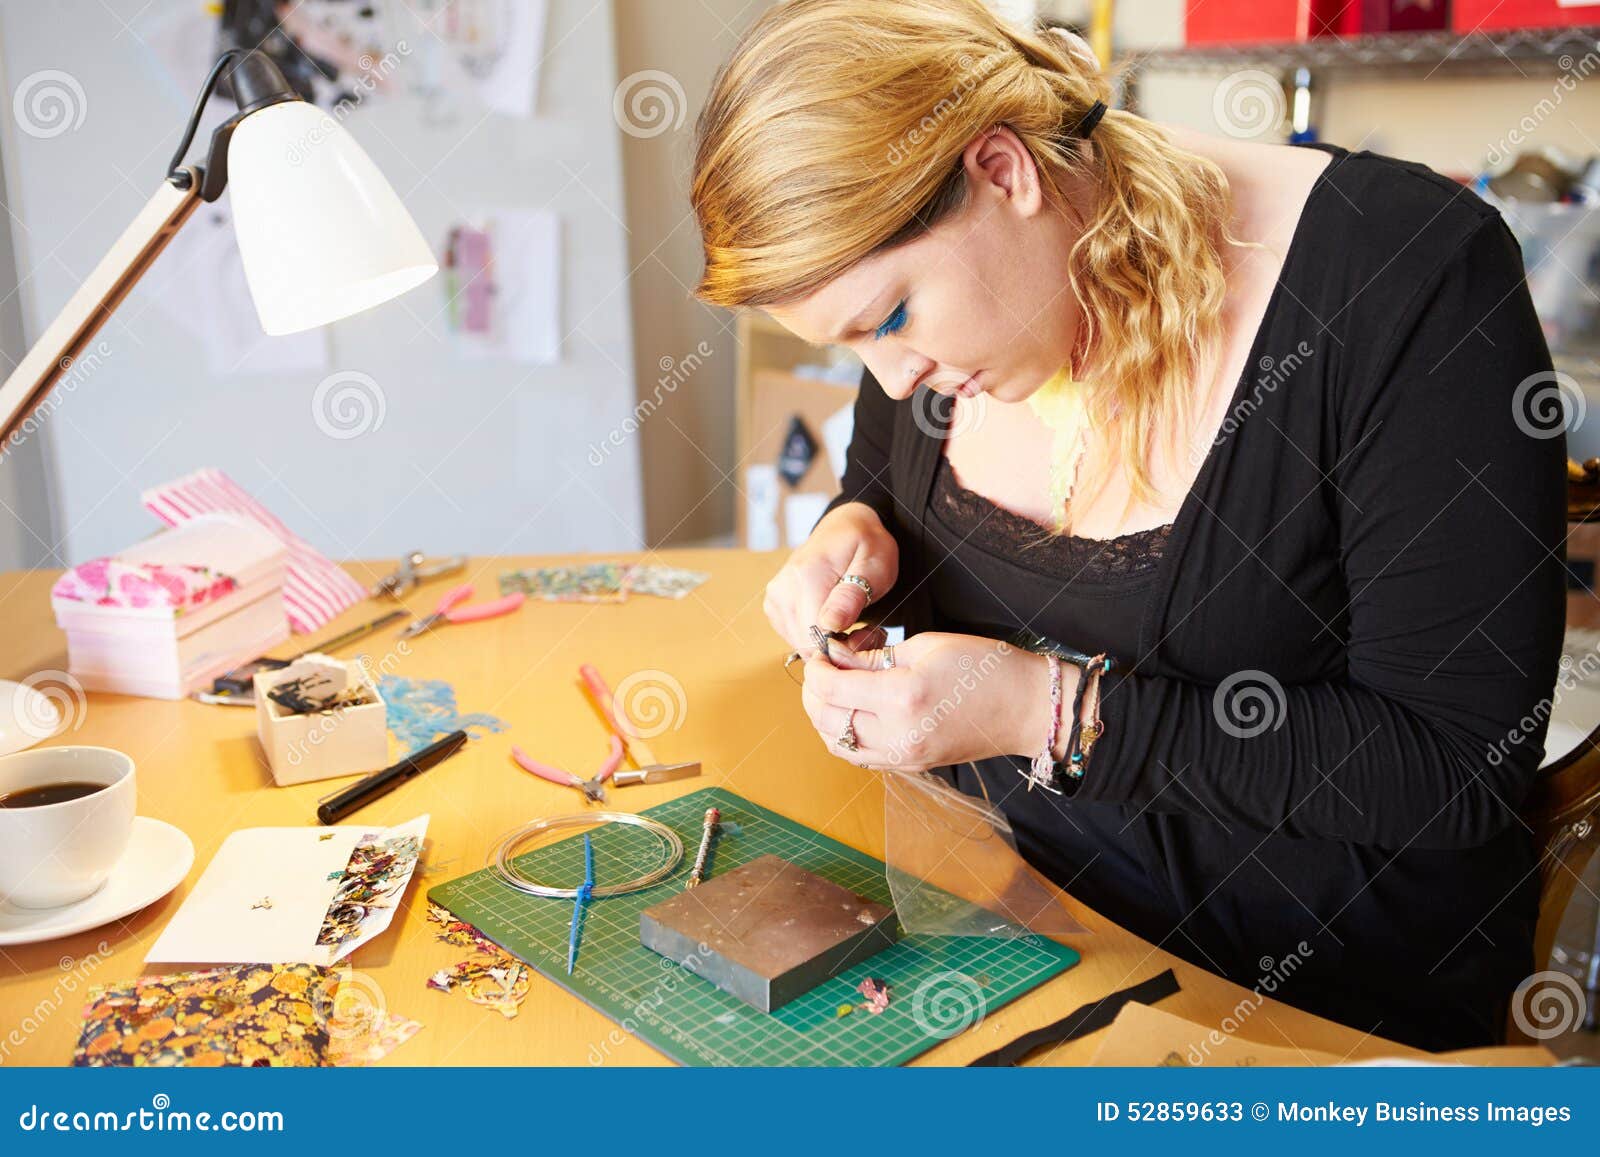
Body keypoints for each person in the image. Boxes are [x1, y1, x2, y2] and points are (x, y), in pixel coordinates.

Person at [690, 0, 1568, 1050]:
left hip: (1303, 1003)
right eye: (851, 347)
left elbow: (1453, 769)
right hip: (1003, 917)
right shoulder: (948, 330)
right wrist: (849, 533)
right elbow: (882, 483)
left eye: (887, 320)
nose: (895, 378)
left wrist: (1049, 714)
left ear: (1003, 171)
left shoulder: (1405, 276)